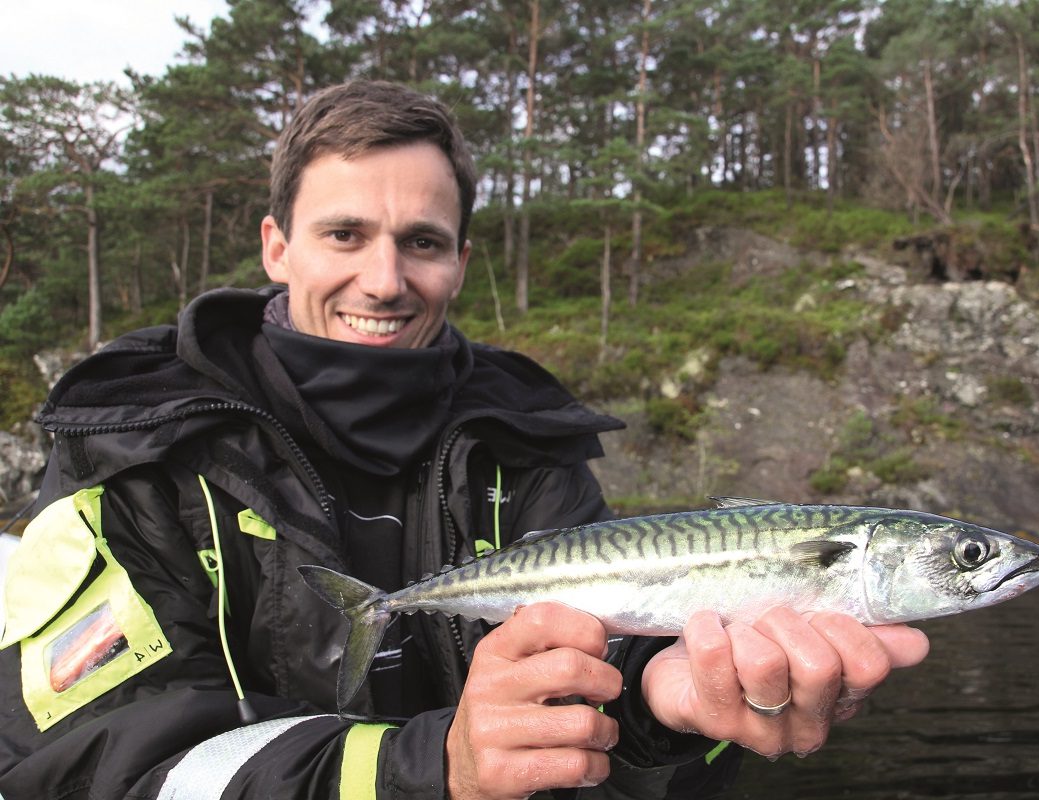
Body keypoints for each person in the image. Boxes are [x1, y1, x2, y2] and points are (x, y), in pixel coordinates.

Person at [0, 81, 929, 800]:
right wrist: (431, 769)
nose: (384, 277)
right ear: (277, 246)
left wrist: (665, 710)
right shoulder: (132, 452)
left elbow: (618, 648)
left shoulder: (526, 447)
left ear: (461, 263)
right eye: (344, 234)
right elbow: (88, 765)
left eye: (423, 241)